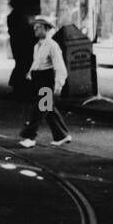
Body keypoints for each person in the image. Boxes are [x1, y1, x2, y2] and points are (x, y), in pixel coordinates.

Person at [19, 16, 72, 148]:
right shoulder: (37, 46)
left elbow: (59, 66)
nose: (35, 30)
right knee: (48, 108)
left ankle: (30, 136)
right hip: (38, 79)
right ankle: (62, 135)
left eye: (38, 27)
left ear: (46, 29)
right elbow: (36, 62)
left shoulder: (52, 46)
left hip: (46, 79)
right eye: (34, 27)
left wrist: (59, 83)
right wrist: (30, 72)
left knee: (41, 108)